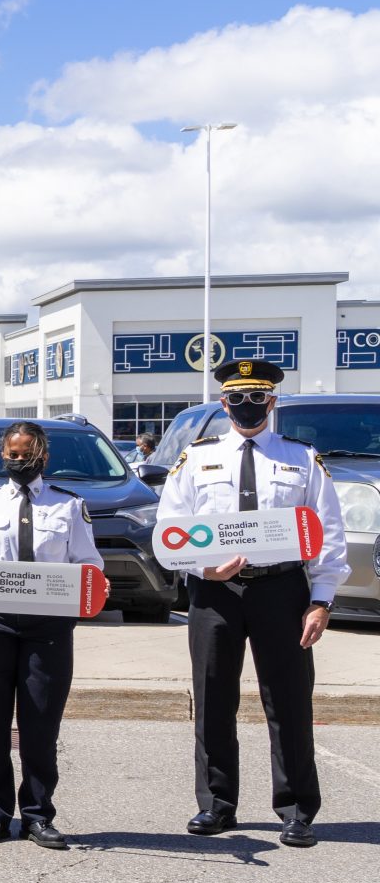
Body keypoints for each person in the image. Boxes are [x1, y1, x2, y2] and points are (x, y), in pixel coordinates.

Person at [158, 358, 350, 847]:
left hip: (282, 591)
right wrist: (203, 569)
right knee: (213, 699)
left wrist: (321, 600)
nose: (247, 406)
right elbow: (172, 530)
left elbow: (327, 534)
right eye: (237, 398)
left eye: (257, 397)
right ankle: (217, 805)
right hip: (215, 592)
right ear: (223, 403)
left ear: (272, 400)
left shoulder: (302, 459)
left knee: (287, 702)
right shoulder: (196, 459)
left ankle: (296, 809)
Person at [0, 423, 101, 848]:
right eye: (11, 454)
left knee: (40, 726)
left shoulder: (68, 508)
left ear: (43, 457)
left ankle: (37, 814)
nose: (18, 461)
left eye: (26, 453)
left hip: (47, 631)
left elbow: (91, 566)